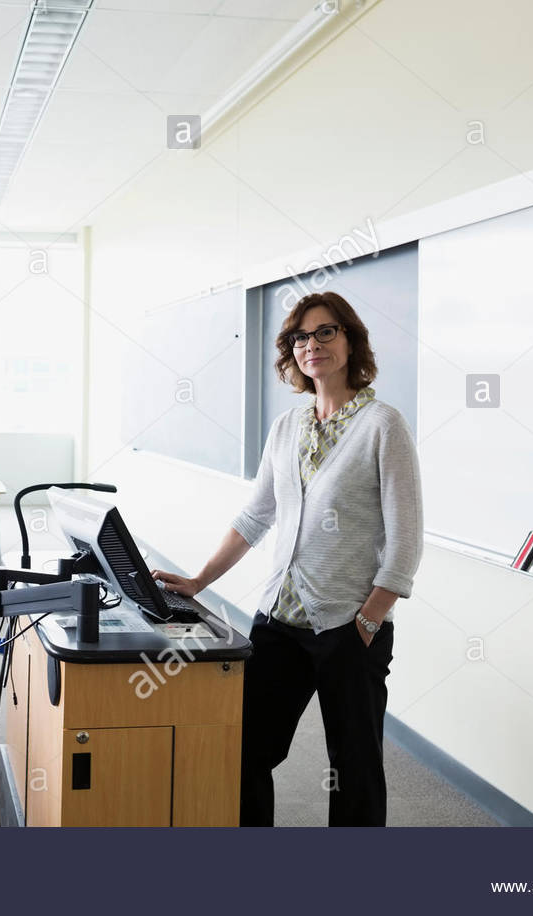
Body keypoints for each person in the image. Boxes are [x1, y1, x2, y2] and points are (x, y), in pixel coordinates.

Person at [151, 291, 423, 826]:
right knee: (246, 749)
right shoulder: (287, 428)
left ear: (350, 340)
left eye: (325, 332)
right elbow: (256, 517)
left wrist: (370, 617)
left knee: (354, 765)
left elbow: (407, 536)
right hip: (280, 619)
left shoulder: (382, 425)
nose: (311, 345)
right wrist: (199, 580)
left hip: (349, 626)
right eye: (300, 337)